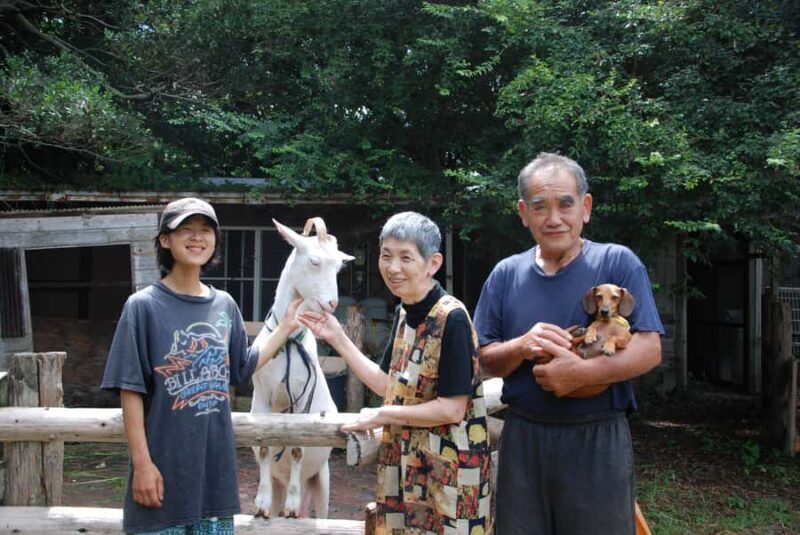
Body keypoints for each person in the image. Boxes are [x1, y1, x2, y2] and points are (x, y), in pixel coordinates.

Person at [473, 153, 664, 534]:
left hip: (597, 437)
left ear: (586, 207)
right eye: (540, 207)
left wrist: (581, 373)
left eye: (565, 203)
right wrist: (521, 346)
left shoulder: (617, 263)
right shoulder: (505, 275)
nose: (554, 218)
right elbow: (481, 361)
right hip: (524, 438)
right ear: (524, 213)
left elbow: (649, 348)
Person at [101, 197, 302, 534]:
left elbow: (242, 367)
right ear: (165, 239)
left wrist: (284, 328)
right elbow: (130, 390)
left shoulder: (225, 305)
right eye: (186, 230)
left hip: (214, 479)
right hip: (161, 475)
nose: (197, 238)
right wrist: (142, 466)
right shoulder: (143, 307)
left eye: (206, 230)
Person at [299, 211, 491, 535]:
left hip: (451, 477)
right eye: (386, 256)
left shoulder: (452, 318)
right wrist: (337, 337)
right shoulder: (406, 311)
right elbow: (387, 384)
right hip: (406, 468)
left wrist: (382, 415)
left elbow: (453, 407)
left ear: (433, 263)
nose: (393, 267)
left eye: (405, 257)